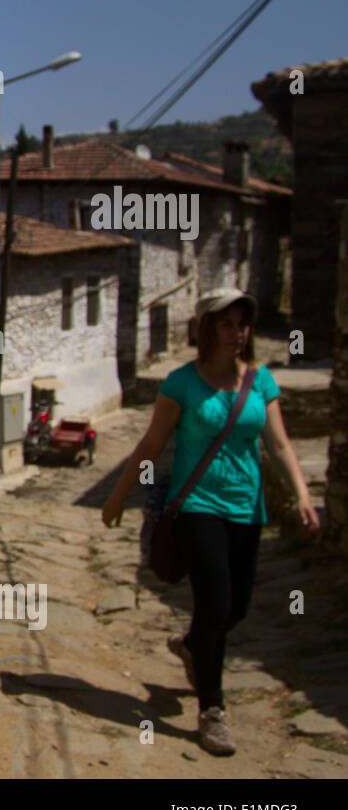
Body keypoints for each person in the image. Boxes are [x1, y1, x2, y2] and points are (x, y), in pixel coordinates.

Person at [101, 288, 319, 756]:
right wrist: (120, 495)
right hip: (197, 505)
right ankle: (212, 710)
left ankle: (192, 645)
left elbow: (278, 446)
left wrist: (302, 494)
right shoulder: (182, 383)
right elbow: (150, 445)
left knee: (237, 607)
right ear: (205, 329)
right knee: (216, 601)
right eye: (225, 324)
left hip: (248, 506)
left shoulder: (260, 382)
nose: (236, 333)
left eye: (242, 324)